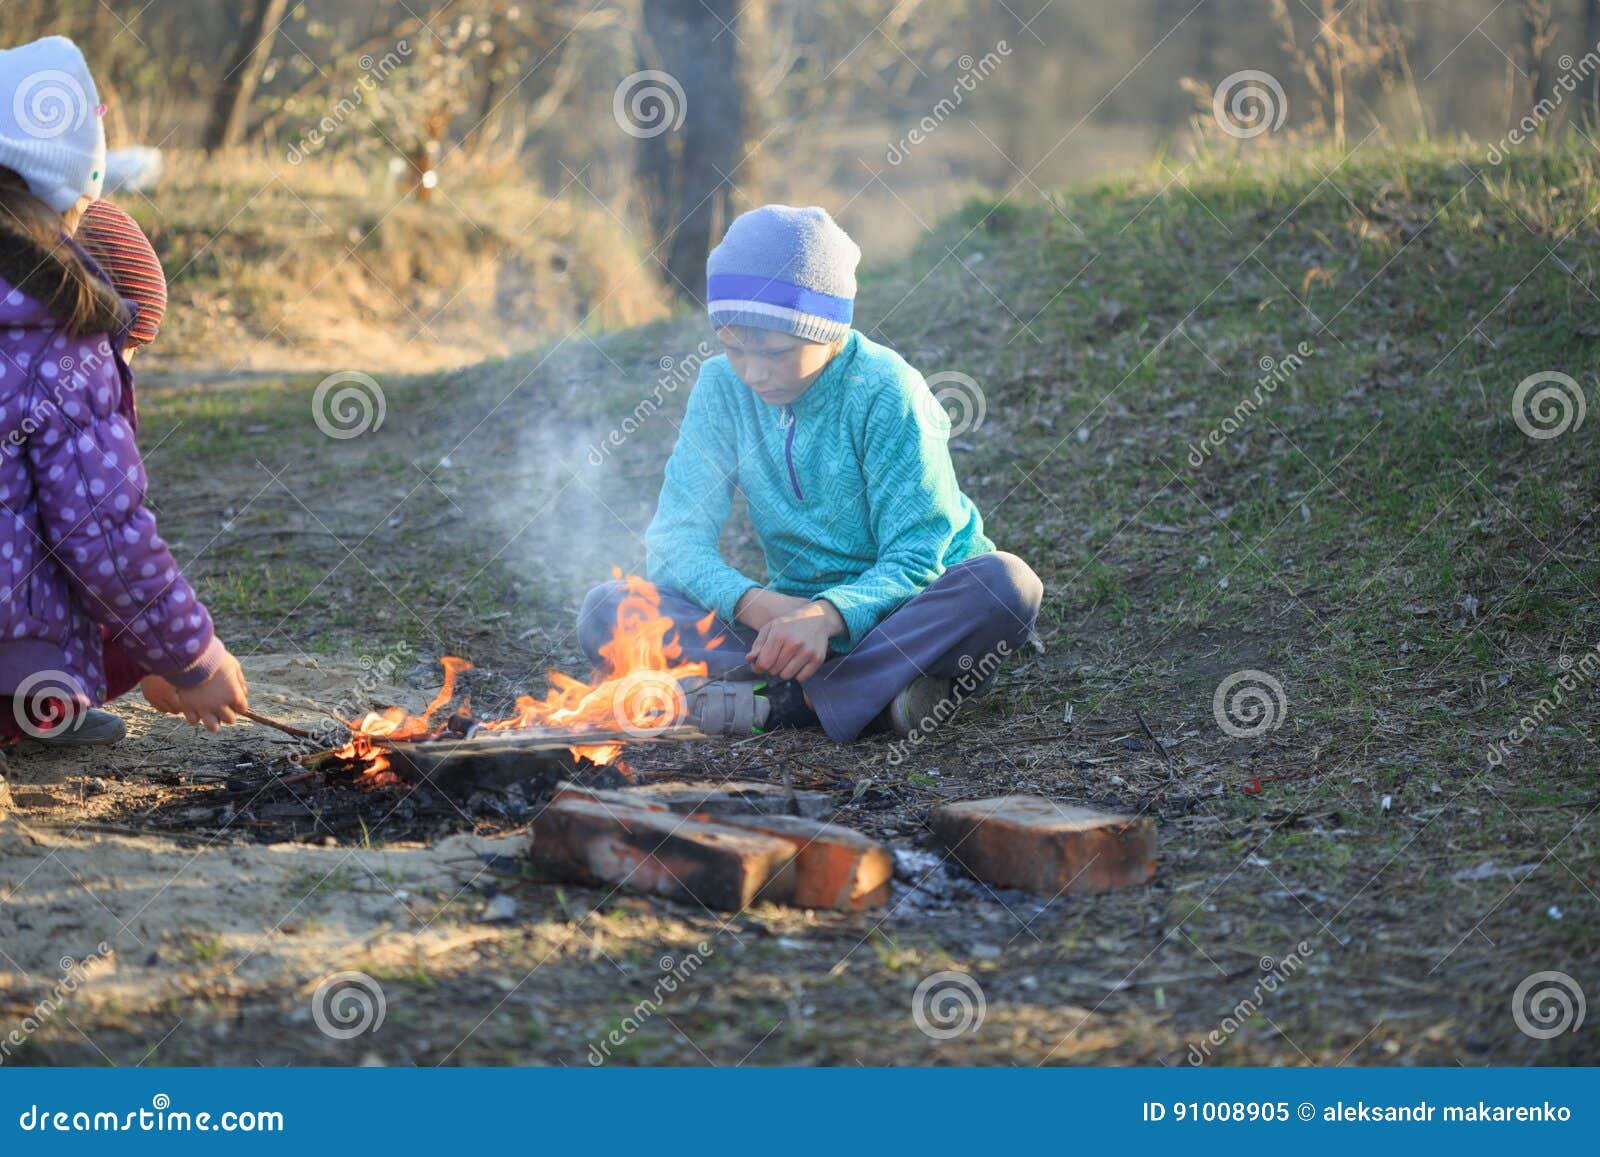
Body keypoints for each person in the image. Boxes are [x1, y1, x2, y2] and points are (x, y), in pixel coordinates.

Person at [577, 204, 1042, 742]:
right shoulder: (720, 389)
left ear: (831, 328)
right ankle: (867, 697)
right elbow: (675, 541)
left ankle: (785, 703)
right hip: (780, 625)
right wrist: (758, 604)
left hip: (896, 619)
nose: (754, 373)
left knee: (1006, 585)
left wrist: (828, 617)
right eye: (733, 349)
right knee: (608, 610)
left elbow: (919, 556)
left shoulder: (888, 391)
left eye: (777, 352)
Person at [0, 35, 249, 783]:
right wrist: (191, 655)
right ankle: (33, 705)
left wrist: (148, 662)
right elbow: (100, 533)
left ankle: (44, 702)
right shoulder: (53, 327)